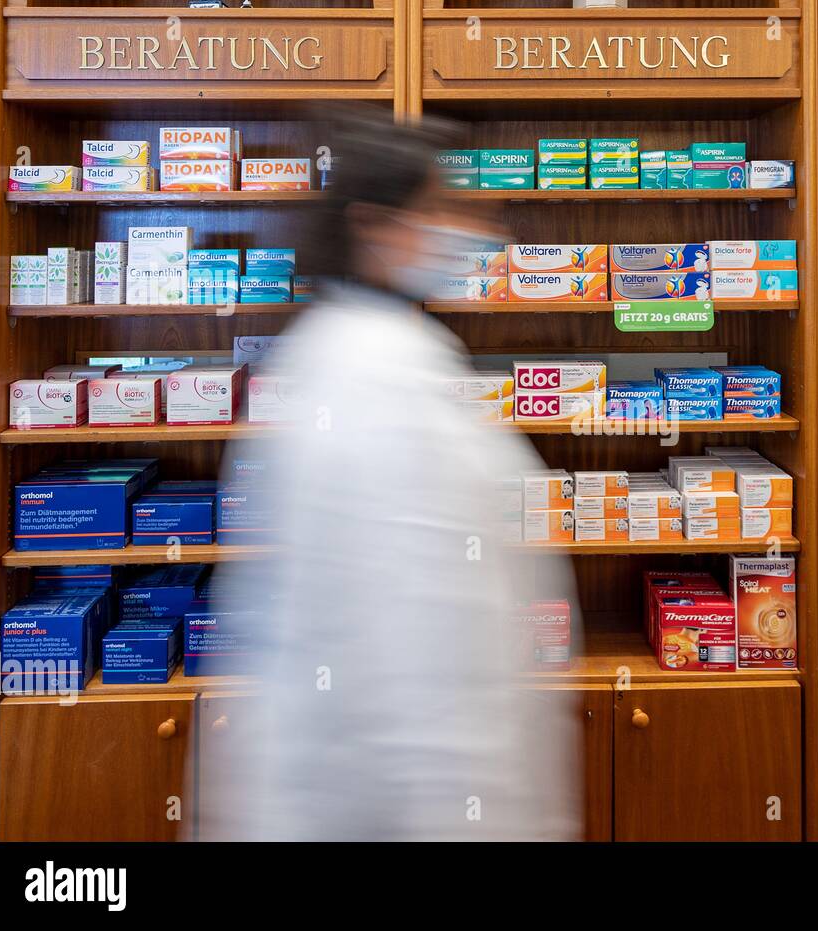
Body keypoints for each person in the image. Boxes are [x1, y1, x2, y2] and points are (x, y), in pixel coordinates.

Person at [196, 110, 581, 841]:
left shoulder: (357, 352)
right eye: (443, 208)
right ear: (374, 226)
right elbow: (425, 650)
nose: (479, 229)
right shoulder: (377, 382)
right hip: (394, 800)